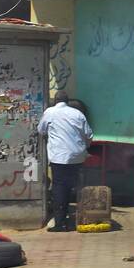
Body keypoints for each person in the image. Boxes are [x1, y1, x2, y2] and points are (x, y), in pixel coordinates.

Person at [38, 92, 93, 233]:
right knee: (74, 186)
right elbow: (89, 135)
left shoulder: (50, 112)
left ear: (55, 101)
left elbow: (41, 130)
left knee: (59, 188)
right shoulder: (78, 114)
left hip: (60, 157)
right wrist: (83, 148)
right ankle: (81, 219)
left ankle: (60, 223)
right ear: (68, 101)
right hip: (77, 156)